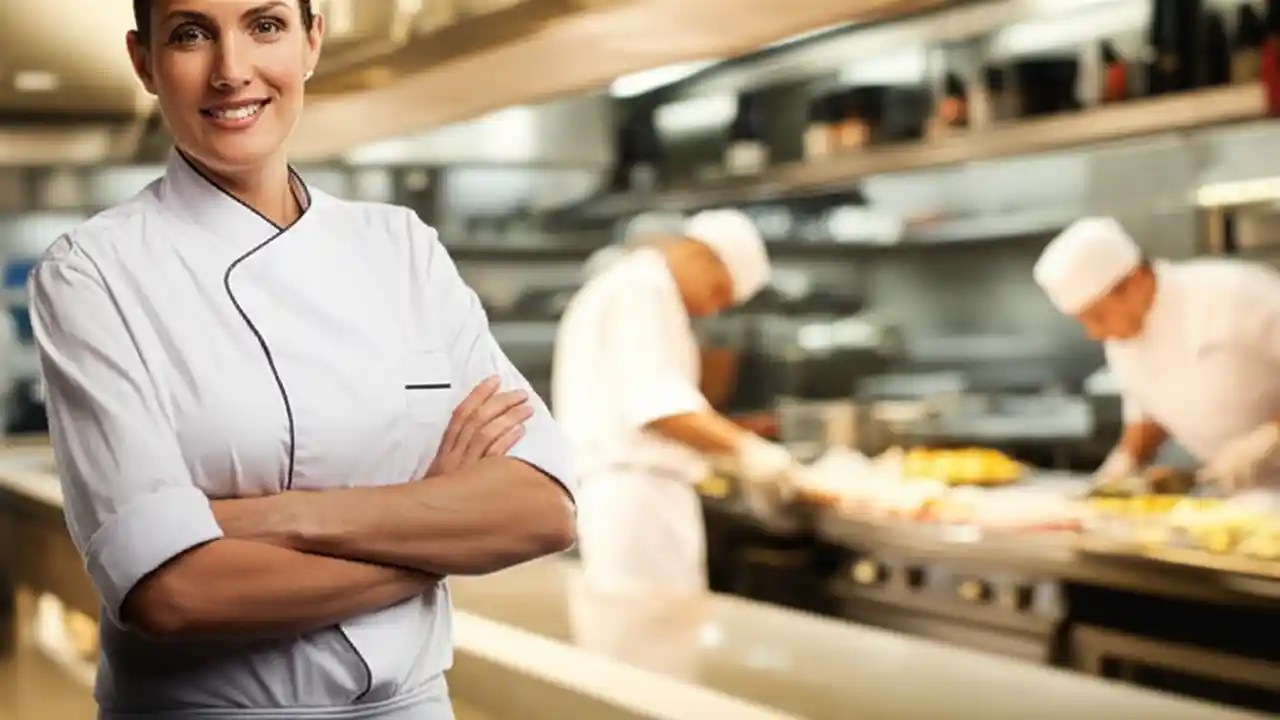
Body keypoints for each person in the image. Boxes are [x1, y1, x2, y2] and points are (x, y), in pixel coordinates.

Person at [29, 1, 575, 717]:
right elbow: (172, 592)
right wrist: (440, 532)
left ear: (312, 41)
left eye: (265, 26)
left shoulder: (401, 247)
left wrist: (279, 518)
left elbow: (544, 509)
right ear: (145, 63)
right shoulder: (93, 271)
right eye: (191, 35)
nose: (232, 71)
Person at [553, 208, 799, 599]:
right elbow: (657, 406)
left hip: (629, 495)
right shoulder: (642, 290)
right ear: (702, 255)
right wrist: (751, 451)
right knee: (650, 643)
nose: (713, 308)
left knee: (638, 640)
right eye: (719, 291)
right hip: (637, 496)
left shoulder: (633, 286)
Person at [1034, 216, 1280, 493]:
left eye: (1098, 317)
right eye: (1084, 321)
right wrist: (1127, 460)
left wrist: (1271, 436)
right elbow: (1148, 409)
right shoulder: (1123, 337)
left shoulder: (1237, 293)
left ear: (1134, 282)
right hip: (1248, 497)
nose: (1094, 333)